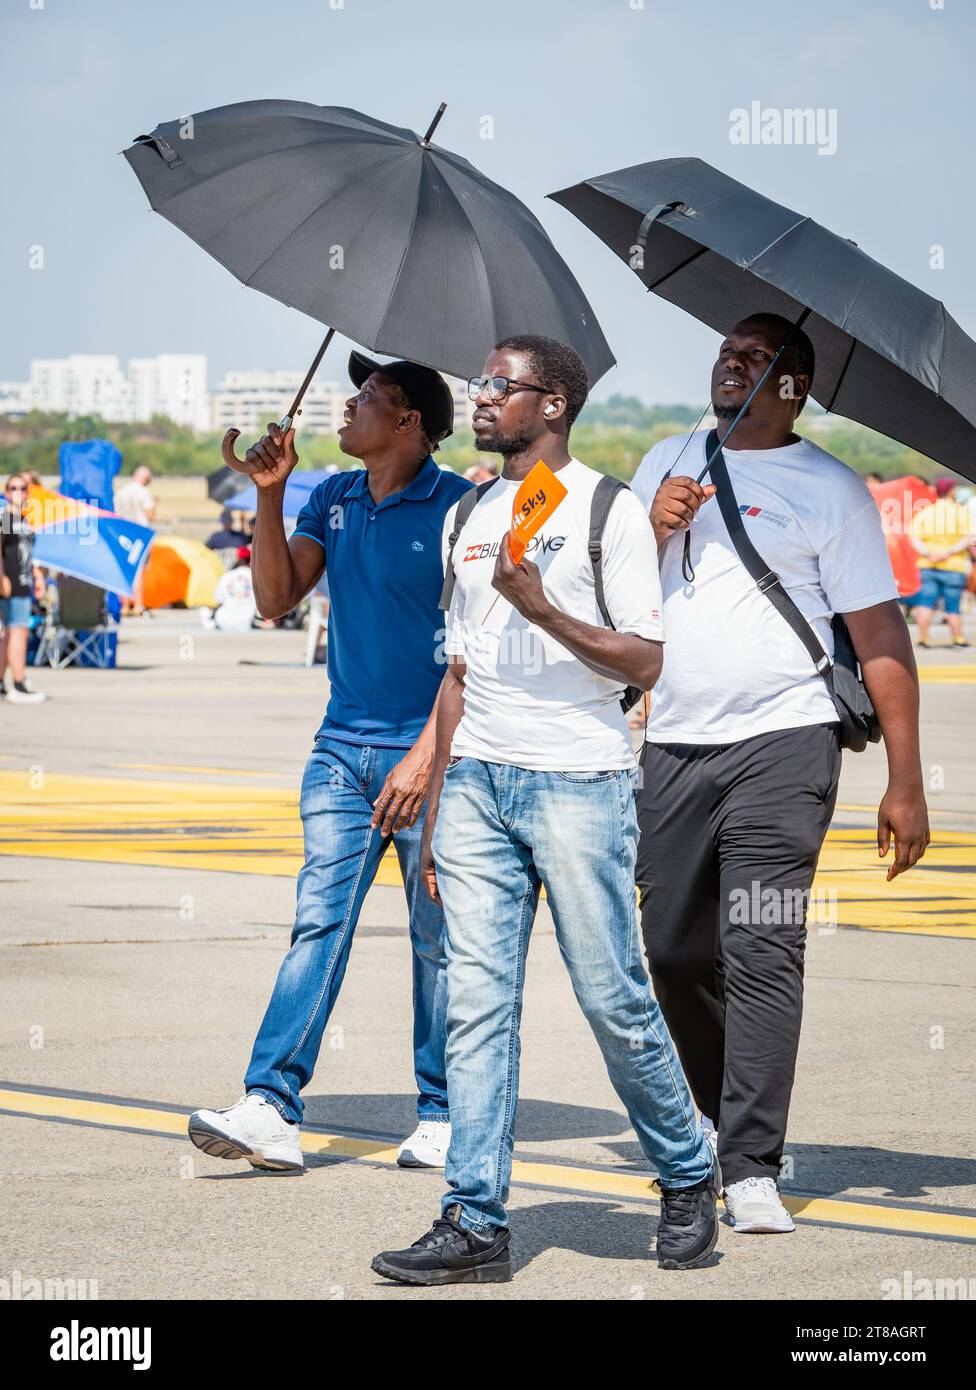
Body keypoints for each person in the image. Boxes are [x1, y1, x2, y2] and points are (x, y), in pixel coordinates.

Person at [372, 336, 718, 1287]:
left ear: (554, 404)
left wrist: (542, 608)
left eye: (501, 386)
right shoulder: (473, 513)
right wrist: (439, 812)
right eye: (480, 385)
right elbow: (456, 674)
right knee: (477, 1005)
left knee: (613, 997)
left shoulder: (608, 512)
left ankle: (689, 1170)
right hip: (478, 780)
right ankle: (474, 1217)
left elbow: (645, 663)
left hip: (578, 780)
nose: (481, 399)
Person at [631, 313, 930, 1235]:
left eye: (757, 359)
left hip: (784, 744)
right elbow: (609, 594)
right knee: (676, 955)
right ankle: (724, 1123)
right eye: (728, 352)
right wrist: (649, 526)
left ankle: (751, 1162)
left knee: (762, 944)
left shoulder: (829, 489)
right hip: (674, 742)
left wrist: (907, 781)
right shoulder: (666, 457)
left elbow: (880, 635)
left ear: (794, 385)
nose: (733, 365)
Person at [188, 353, 471, 1174]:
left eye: (368, 398)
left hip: (437, 760)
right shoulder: (336, 496)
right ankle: (271, 1106)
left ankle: (446, 1113)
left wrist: (430, 757)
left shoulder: (460, 509)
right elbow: (275, 601)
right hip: (341, 753)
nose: (347, 409)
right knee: (320, 923)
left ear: (411, 421)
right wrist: (269, 494)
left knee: (439, 938)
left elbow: (475, 657)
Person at [909, 476, 973, 648]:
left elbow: (914, 537)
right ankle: (958, 638)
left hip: (928, 565)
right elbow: (969, 538)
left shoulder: (926, 512)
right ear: (951, 491)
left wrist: (930, 554)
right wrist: (948, 552)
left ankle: (922, 637)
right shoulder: (961, 512)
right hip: (954, 565)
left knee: (926, 602)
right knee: (953, 605)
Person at [0, 474, 45, 704]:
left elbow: (26, 552)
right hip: (11, 582)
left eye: (23, 488)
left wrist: (37, 575)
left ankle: (1, 682)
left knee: (9, 634)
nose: (18, 492)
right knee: (18, 631)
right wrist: (2, 578)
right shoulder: (6, 517)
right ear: (6, 492)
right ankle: (18, 682)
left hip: (24, 580)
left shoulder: (23, 519)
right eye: (13, 488)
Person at [212, 547, 258, 632]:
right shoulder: (256, 578)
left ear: (238, 559)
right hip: (247, 621)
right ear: (250, 559)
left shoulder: (226, 576)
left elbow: (218, 601)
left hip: (223, 620)